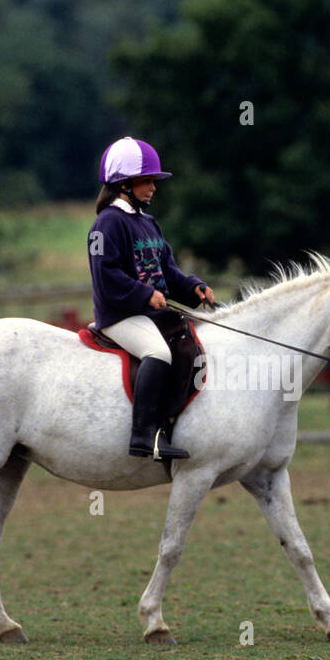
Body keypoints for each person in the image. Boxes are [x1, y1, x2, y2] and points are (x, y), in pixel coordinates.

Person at [88, 136, 215, 460]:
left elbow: (168, 270)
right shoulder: (106, 225)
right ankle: (145, 435)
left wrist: (194, 288)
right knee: (158, 353)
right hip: (120, 315)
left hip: (149, 311)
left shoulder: (148, 223)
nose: (154, 187)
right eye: (147, 180)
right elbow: (107, 278)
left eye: (154, 180)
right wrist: (146, 295)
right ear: (124, 184)